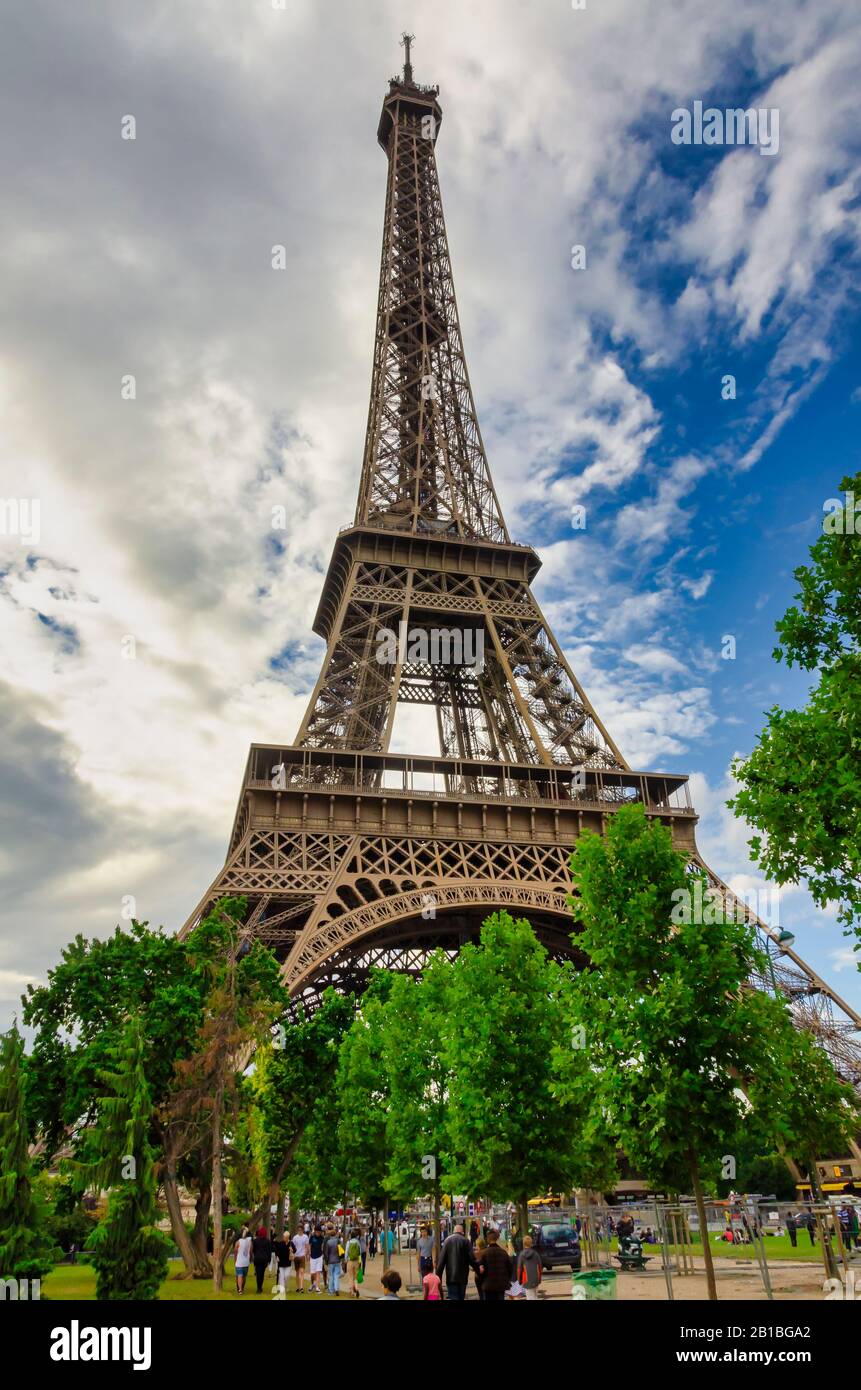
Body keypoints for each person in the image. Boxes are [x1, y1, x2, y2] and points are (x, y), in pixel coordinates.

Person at [435, 1222, 476, 1301]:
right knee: (461, 1297)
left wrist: (438, 1277)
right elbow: (472, 1259)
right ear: (462, 1232)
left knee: (453, 1297)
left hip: (451, 1277)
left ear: (453, 1231)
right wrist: (477, 1269)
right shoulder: (466, 1241)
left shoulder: (447, 1241)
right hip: (463, 1277)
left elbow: (441, 1262)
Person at [478, 1228, 512, 1303]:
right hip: (501, 1285)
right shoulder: (503, 1252)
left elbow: (480, 1270)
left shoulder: (484, 1253)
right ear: (497, 1238)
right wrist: (506, 1279)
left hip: (488, 1285)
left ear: (488, 1239)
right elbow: (510, 1269)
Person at [516, 1234, 543, 1301]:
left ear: (523, 1243)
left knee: (529, 1297)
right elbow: (540, 1267)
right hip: (536, 1278)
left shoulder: (521, 1255)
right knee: (535, 1296)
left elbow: (519, 1269)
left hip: (526, 1279)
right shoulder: (536, 1254)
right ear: (531, 1243)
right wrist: (539, 1279)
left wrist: (519, 1280)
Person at [252, 1226, 272, 1294]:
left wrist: (255, 1256)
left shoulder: (255, 1241)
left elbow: (253, 1250)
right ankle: (260, 1287)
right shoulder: (268, 1241)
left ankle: (258, 1287)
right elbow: (269, 1251)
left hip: (257, 1259)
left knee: (258, 1273)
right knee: (262, 1273)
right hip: (264, 1259)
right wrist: (269, 1260)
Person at [233, 1226, 252, 1295]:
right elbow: (250, 1251)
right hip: (246, 1262)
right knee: (244, 1276)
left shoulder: (238, 1242)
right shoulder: (249, 1241)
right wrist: (250, 1259)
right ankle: (242, 1288)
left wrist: (235, 1260)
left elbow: (235, 1252)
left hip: (239, 1262)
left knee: (239, 1275)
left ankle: (240, 1289)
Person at [291, 1224, 310, 1293]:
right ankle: (298, 1287)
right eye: (298, 1230)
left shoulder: (305, 1237)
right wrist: (292, 1254)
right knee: (297, 1272)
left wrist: (307, 1254)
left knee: (302, 1272)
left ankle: (301, 1287)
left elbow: (307, 1246)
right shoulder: (295, 1238)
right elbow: (292, 1247)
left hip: (302, 1256)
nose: (300, 1231)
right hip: (296, 1256)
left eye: (301, 1230)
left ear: (303, 1230)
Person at [325, 1226, 343, 1296]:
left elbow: (326, 1253)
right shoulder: (338, 1241)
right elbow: (341, 1250)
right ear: (335, 1234)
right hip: (337, 1260)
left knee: (331, 1276)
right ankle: (336, 1288)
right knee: (336, 1275)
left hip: (330, 1261)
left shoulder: (328, 1242)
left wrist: (326, 1261)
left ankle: (331, 1290)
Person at [345, 1227, 362, 1299]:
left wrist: (346, 1260)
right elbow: (360, 1252)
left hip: (350, 1261)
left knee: (350, 1276)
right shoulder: (358, 1242)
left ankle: (351, 1291)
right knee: (356, 1277)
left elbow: (346, 1252)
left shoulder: (348, 1242)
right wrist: (360, 1261)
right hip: (356, 1261)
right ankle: (357, 1289)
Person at [308, 1224, 325, 1293]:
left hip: (319, 1256)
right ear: (315, 1231)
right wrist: (308, 1253)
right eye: (317, 1231)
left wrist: (323, 1255)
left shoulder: (322, 1237)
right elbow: (309, 1245)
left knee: (318, 1272)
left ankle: (317, 1287)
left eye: (319, 1232)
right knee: (313, 1273)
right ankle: (313, 1284)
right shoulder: (312, 1237)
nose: (318, 1233)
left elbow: (322, 1246)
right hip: (312, 1256)